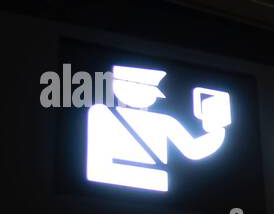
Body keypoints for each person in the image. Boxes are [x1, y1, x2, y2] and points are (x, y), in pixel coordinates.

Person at [86, 66, 231, 192]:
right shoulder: (101, 112)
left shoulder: (165, 121)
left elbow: (193, 149)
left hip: (155, 180)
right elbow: (97, 165)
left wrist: (218, 130)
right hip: (113, 177)